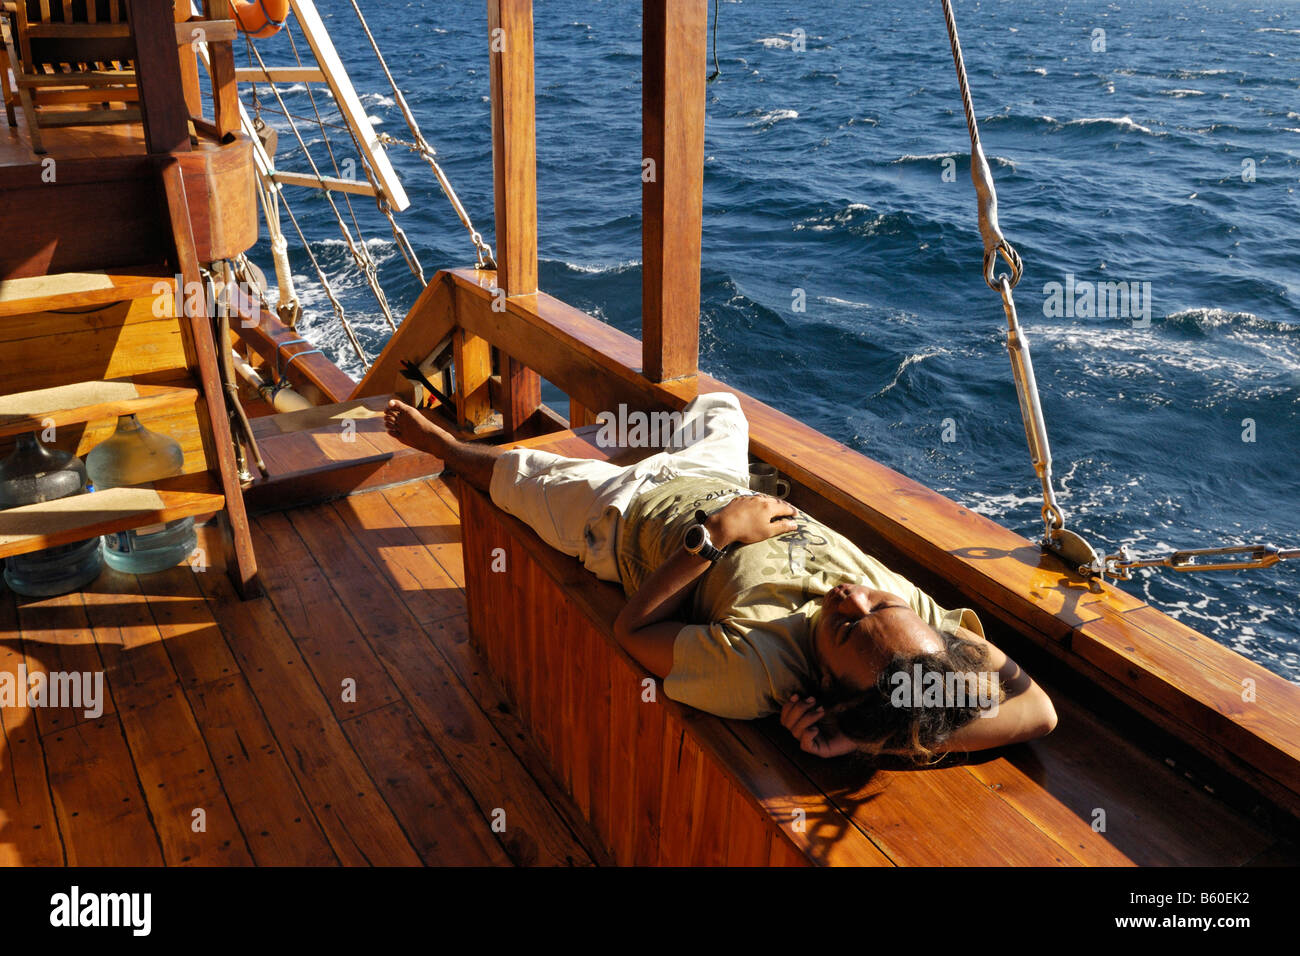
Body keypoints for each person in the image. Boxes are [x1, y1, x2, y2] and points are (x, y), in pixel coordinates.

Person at [385, 392, 1057, 762]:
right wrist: (879, 728)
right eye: (875, 599)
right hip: (718, 479)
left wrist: (714, 541)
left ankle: (446, 448)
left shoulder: (757, 669)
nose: (851, 595)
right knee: (723, 406)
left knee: (517, 475)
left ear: (826, 687)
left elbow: (632, 629)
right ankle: (651, 426)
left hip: (621, 516)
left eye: (846, 625)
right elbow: (1036, 710)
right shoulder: (917, 640)